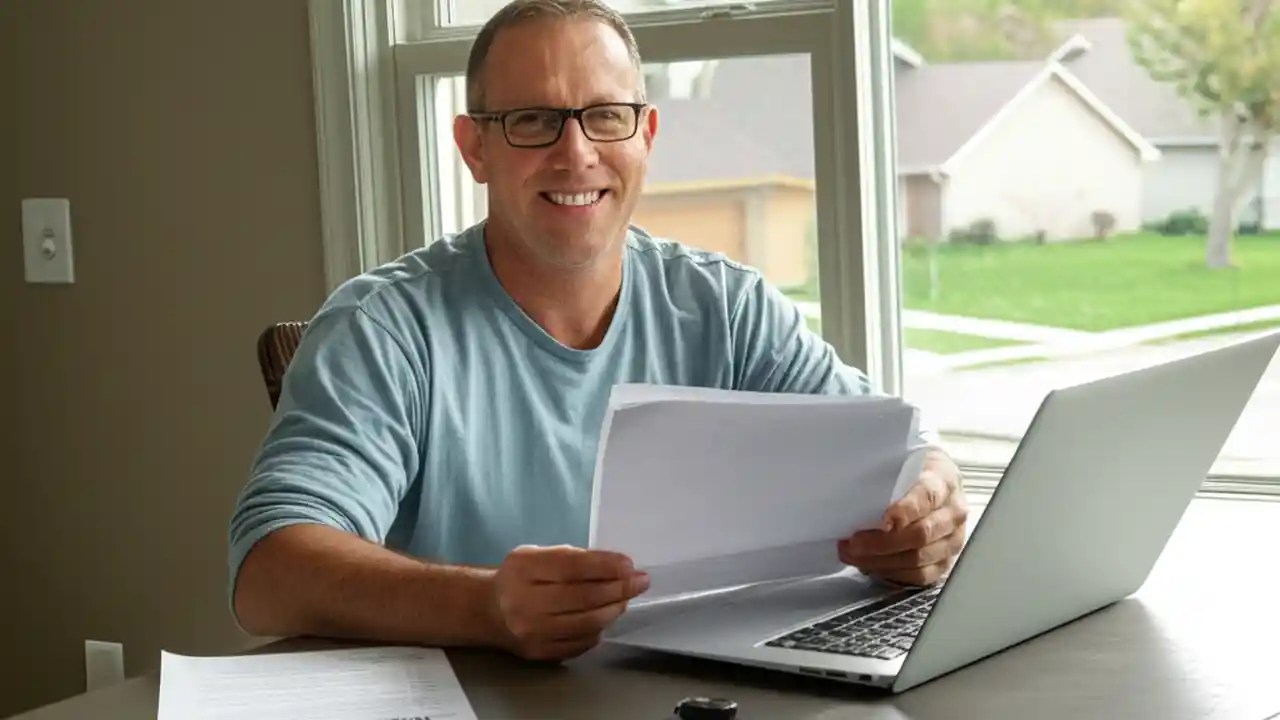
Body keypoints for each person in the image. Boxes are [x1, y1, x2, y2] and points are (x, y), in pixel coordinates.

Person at [228, 0, 968, 663]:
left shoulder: (727, 307)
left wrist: (927, 503)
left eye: (606, 116)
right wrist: (486, 606)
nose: (576, 152)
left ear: (646, 134)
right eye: (532, 120)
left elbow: (895, 452)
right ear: (474, 147)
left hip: (708, 690)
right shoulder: (383, 330)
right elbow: (269, 573)